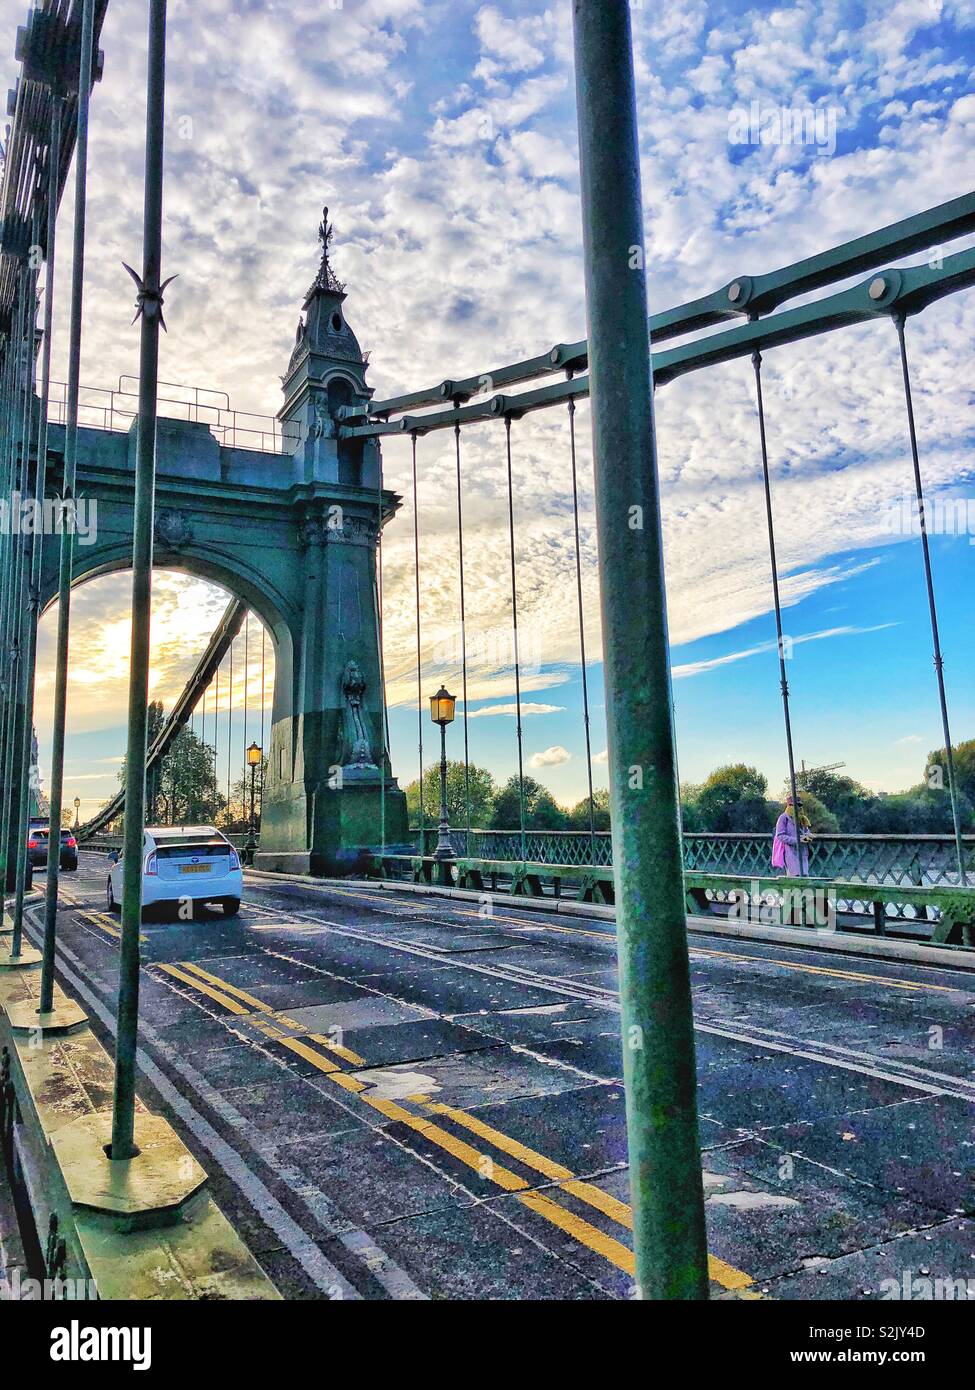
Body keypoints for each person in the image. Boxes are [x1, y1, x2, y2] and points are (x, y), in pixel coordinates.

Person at [772, 793, 811, 875]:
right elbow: (780, 835)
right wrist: (796, 840)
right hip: (790, 851)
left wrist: (807, 836)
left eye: (800, 805)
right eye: (796, 805)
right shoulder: (783, 818)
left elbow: (806, 831)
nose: (799, 807)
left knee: (804, 875)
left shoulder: (802, 818)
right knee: (794, 876)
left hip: (802, 851)